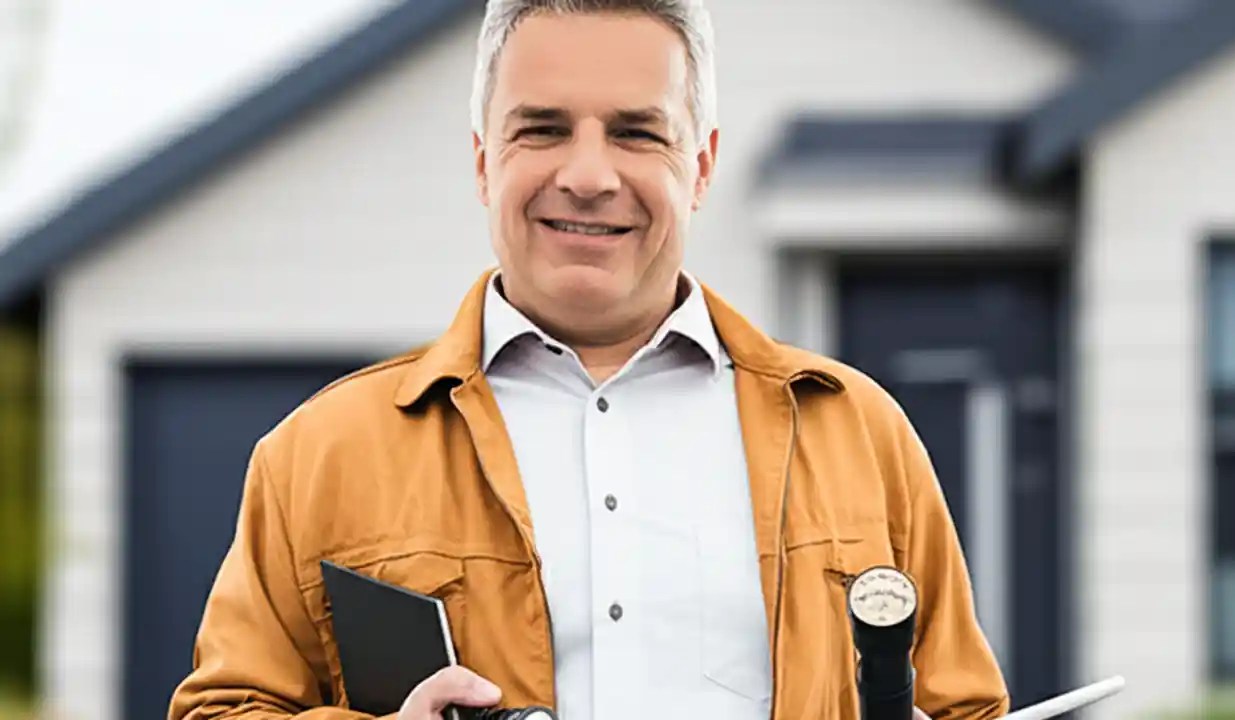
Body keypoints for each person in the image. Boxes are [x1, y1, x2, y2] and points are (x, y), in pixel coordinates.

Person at [169, 1, 1009, 718]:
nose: (588, 173)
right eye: (543, 129)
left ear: (701, 166)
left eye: (638, 133)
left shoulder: (861, 438)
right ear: (482, 160)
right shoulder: (316, 458)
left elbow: (963, 705)